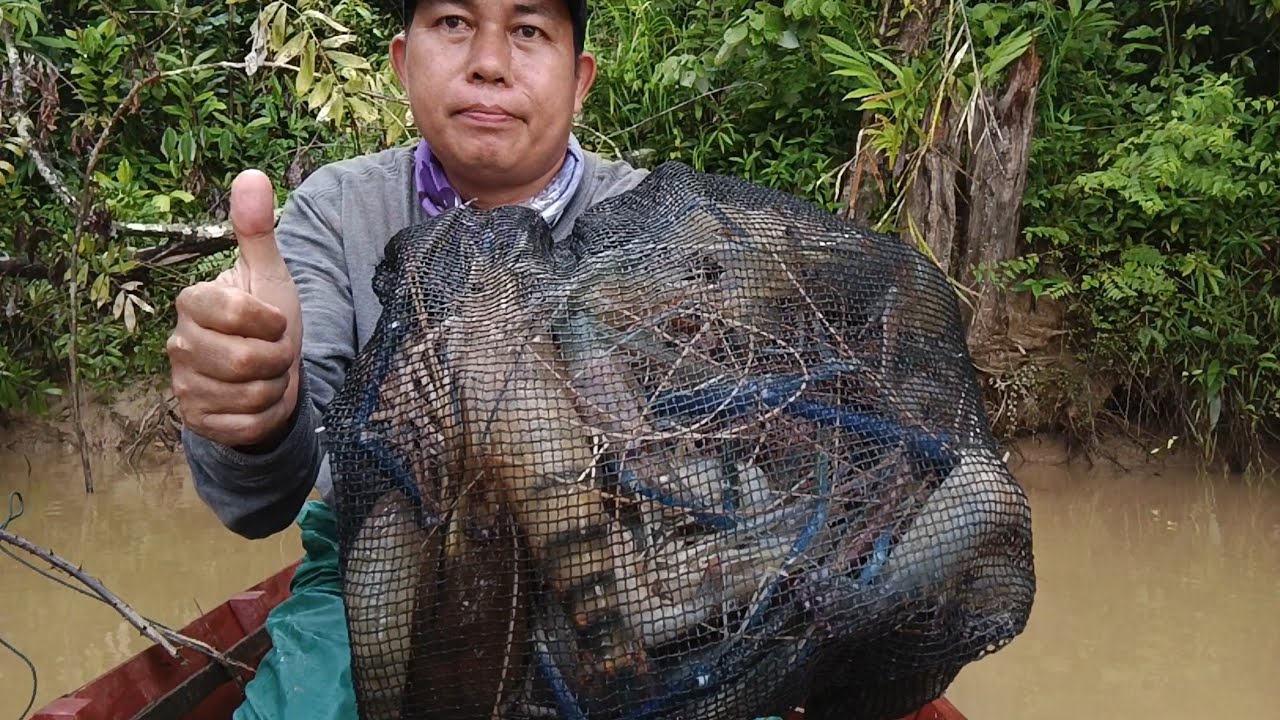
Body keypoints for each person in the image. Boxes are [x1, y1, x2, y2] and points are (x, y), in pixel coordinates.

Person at [165, 1, 648, 717]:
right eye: (453, 22)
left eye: (528, 30)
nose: (488, 60)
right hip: (372, 566)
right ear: (401, 62)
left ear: (579, 80)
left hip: (620, 558)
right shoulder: (336, 210)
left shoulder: (650, 217)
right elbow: (263, 502)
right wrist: (255, 415)